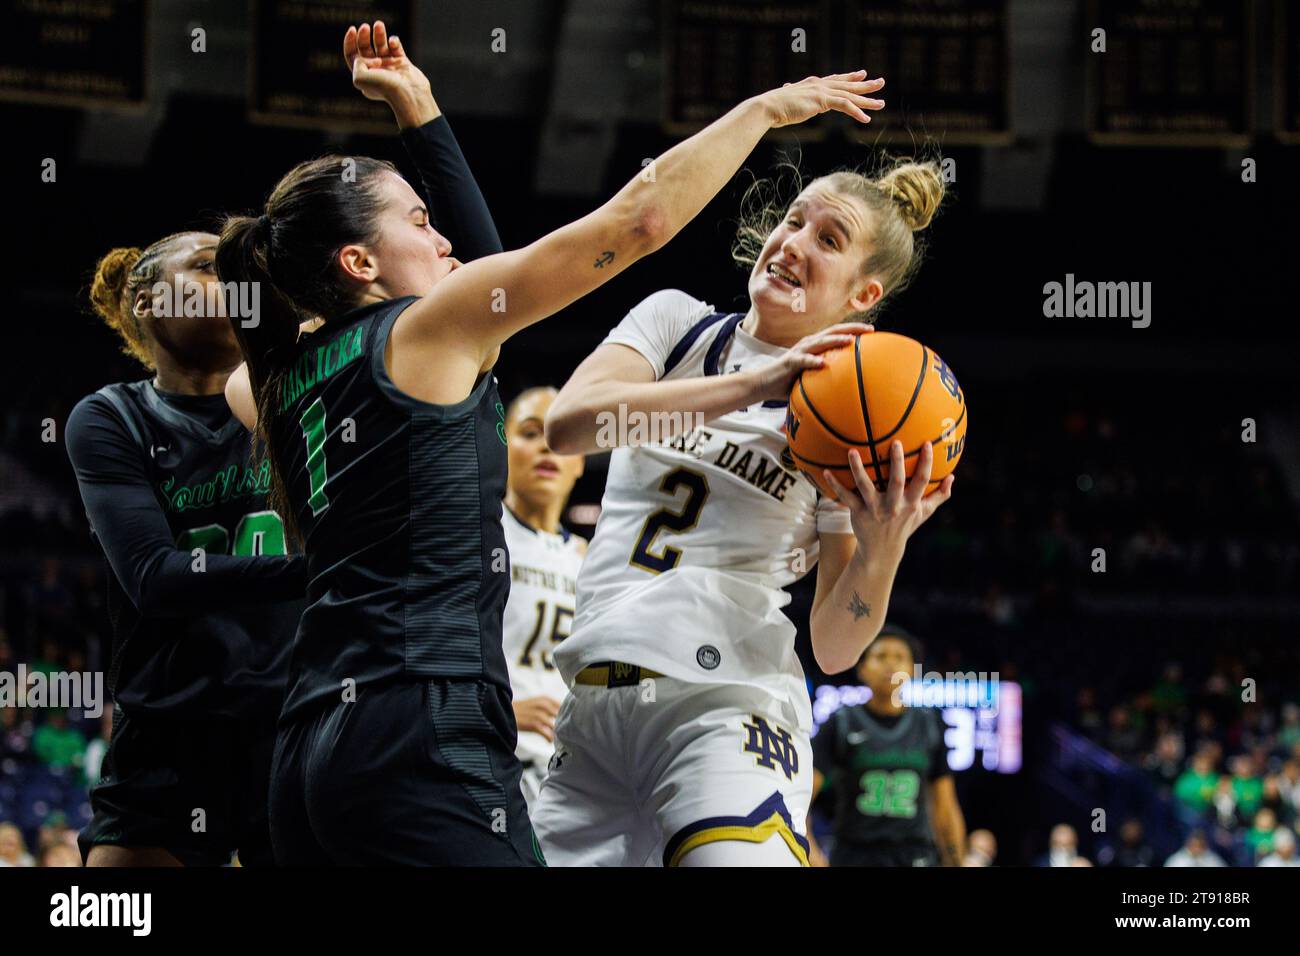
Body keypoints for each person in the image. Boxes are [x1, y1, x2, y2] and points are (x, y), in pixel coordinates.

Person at [222, 19, 884, 862]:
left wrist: (421, 109)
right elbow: (638, 222)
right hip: (420, 723)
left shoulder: (278, 381)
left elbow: (488, 288)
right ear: (359, 262)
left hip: (309, 746)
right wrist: (761, 110)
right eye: (420, 221)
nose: (444, 240)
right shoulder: (425, 335)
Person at [63, 19, 492, 867]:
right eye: (204, 271)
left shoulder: (300, 381)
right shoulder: (111, 417)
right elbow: (153, 577)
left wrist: (420, 112)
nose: (229, 284)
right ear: (149, 303)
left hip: (300, 715)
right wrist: (336, 560)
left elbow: (484, 283)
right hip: (171, 728)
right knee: (105, 915)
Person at [535, 144, 954, 866]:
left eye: (828, 240)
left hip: (725, 709)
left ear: (862, 296)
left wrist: (883, 547)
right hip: (593, 717)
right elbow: (572, 425)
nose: (791, 244)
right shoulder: (677, 323)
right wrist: (754, 386)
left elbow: (835, 644)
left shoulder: (843, 423)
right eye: (793, 221)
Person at [809, 627, 965, 866]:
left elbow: (945, 806)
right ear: (861, 668)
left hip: (914, 853)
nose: (890, 665)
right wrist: (811, 853)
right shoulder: (840, 723)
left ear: (913, 670)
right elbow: (802, 796)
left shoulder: (930, 724)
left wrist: (955, 860)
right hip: (855, 854)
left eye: (900, 658)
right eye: (880, 657)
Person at [500, 388, 586, 807]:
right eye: (531, 433)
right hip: (492, 756)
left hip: (567, 773)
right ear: (504, 445)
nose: (547, 447)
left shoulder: (593, 558)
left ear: (581, 461)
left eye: (560, 435)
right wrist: (497, 714)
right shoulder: (479, 534)